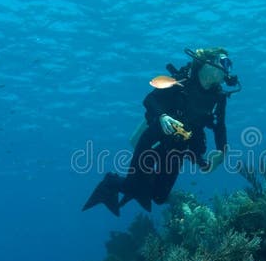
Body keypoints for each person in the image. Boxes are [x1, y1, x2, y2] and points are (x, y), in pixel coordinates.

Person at [83, 47, 240, 216]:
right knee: (131, 186)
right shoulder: (181, 81)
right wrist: (162, 116)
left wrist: (222, 151)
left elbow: (219, 126)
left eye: (229, 65)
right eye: (224, 62)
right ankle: (111, 182)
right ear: (207, 63)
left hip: (179, 146)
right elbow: (150, 99)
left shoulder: (218, 97)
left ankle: (139, 185)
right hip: (155, 137)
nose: (227, 69)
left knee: (158, 197)